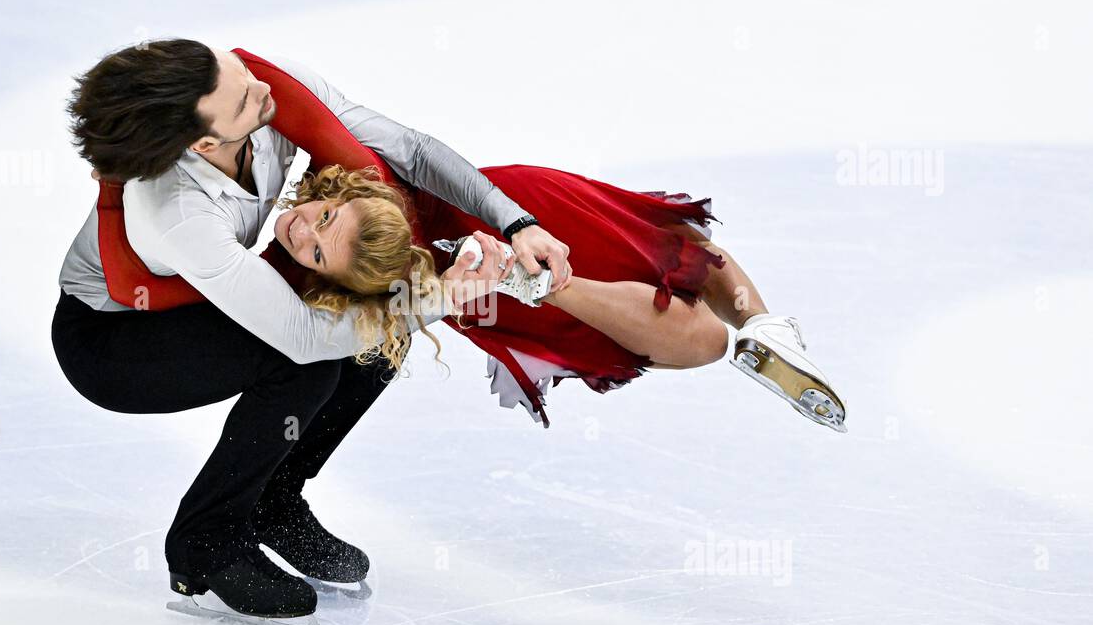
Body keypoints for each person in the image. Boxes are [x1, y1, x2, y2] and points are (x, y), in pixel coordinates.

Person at [51, 40, 570, 623]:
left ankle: (273, 496)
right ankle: (205, 544)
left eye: (243, 73)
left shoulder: (262, 95)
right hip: (116, 343)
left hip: (212, 291)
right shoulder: (174, 209)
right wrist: (441, 297)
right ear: (202, 143)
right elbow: (300, 336)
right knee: (317, 351)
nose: (263, 86)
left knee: (370, 308)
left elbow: (411, 153)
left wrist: (516, 221)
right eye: (245, 96)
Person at [264, 161, 847, 432]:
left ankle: (540, 287)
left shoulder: (296, 251)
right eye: (316, 246)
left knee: (700, 340)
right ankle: (763, 324)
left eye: (322, 218)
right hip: (504, 208)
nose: (303, 229)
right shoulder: (335, 154)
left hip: (473, 256)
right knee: (673, 257)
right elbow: (415, 147)